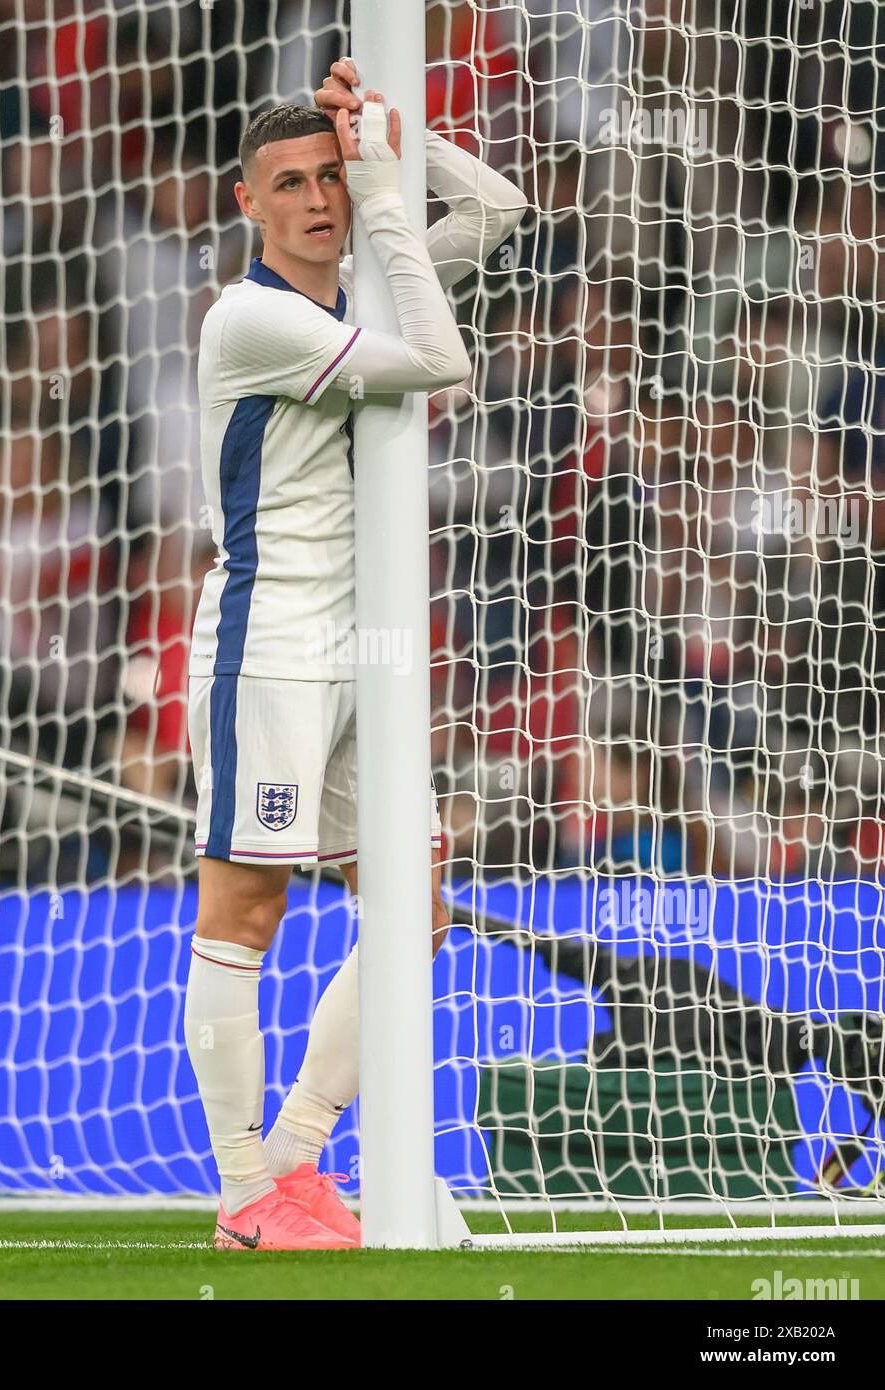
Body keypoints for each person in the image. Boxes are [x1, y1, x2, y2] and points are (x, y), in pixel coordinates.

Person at [184, 57, 526, 1250]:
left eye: (329, 176)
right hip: (269, 643)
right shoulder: (252, 316)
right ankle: (242, 1187)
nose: (320, 199)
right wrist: (385, 197)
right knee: (247, 904)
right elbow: (441, 362)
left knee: (413, 903)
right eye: (292, 182)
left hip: (360, 654)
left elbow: (496, 213)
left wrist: (387, 131)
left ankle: (291, 1163)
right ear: (248, 203)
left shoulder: (365, 297)